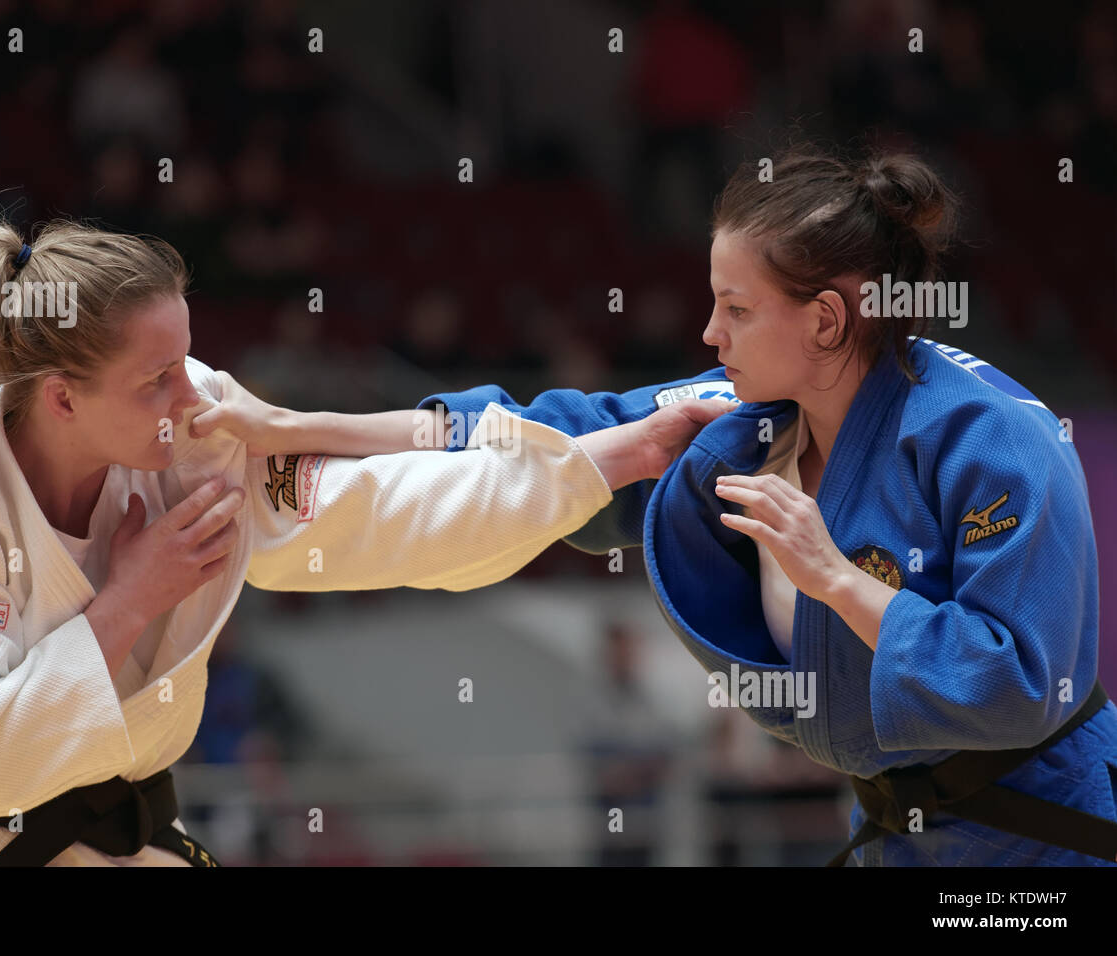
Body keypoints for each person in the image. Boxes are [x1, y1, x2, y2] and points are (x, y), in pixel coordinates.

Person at [263, 146, 1117, 866]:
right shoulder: (741, 422)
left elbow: (1022, 682)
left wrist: (839, 581)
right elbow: (543, 432)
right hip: (895, 826)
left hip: (1050, 829)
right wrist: (298, 425)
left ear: (825, 319)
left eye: (737, 310)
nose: (710, 333)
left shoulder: (992, 442)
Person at [0, 218, 734, 867]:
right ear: (62, 399)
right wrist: (129, 601)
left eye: (185, 363)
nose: (190, 399)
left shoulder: (190, 438)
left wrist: (606, 459)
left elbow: (376, 511)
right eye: (156, 381)